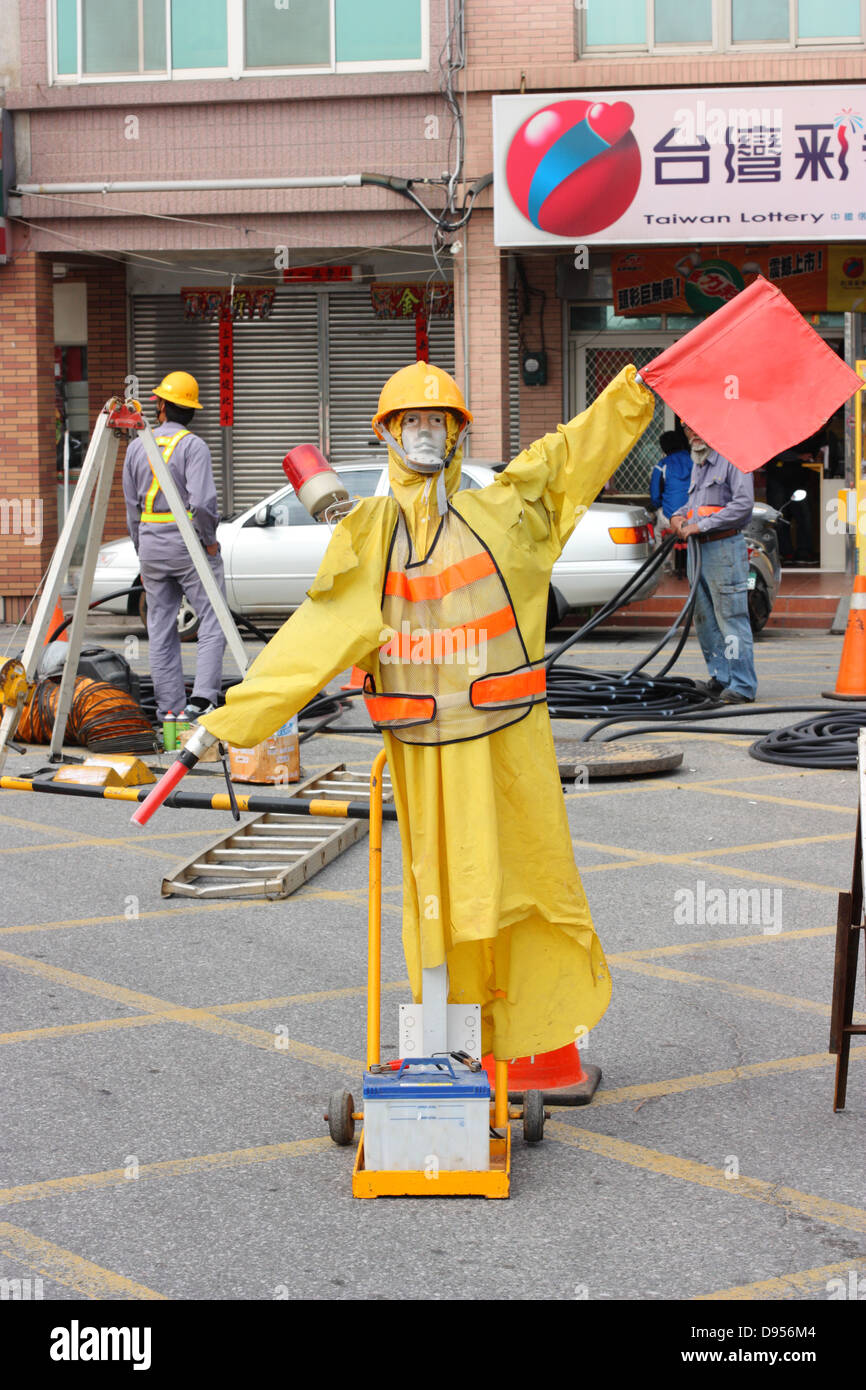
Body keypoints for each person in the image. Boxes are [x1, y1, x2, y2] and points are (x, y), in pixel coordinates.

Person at [196, 362, 655, 1064]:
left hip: (507, 745)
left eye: (436, 422)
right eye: (411, 422)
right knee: (440, 903)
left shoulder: (504, 512)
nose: (424, 434)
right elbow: (317, 634)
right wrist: (228, 721)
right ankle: (455, 1046)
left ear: (458, 433)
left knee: (524, 882)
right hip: (421, 752)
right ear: (387, 434)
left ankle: (517, 1036)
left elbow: (568, 457)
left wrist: (632, 393)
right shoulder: (371, 531)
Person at [122, 371, 227, 723]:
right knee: (213, 619)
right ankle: (201, 701)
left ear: (162, 405)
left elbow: (131, 508)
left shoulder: (138, 446)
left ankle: (170, 708)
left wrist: (142, 548)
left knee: (160, 625)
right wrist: (209, 542)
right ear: (192, 410)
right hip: (185, 545)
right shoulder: (193, 446)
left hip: (151, 544)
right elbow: (205, 502)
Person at [671, 422, 758, 704]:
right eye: (688, 429)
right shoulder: (699, 462)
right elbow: (694, 505)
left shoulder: (734, 459)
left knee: (731, 619)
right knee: (705, 620)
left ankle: (742, 685)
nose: (694, 434)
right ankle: (720, 677)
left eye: (699, 427)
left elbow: (743, 505)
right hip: (699, 551)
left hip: (724, 549)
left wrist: (702, 525)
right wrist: (678, 516)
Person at [649, 428, 692, 578]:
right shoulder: (695, 461)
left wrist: (659, 506)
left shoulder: (662, 465)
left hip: (671, 518)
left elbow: (655, 496)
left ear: (663, 448)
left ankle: (665, 566)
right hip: (694, 518)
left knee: (657, 532)